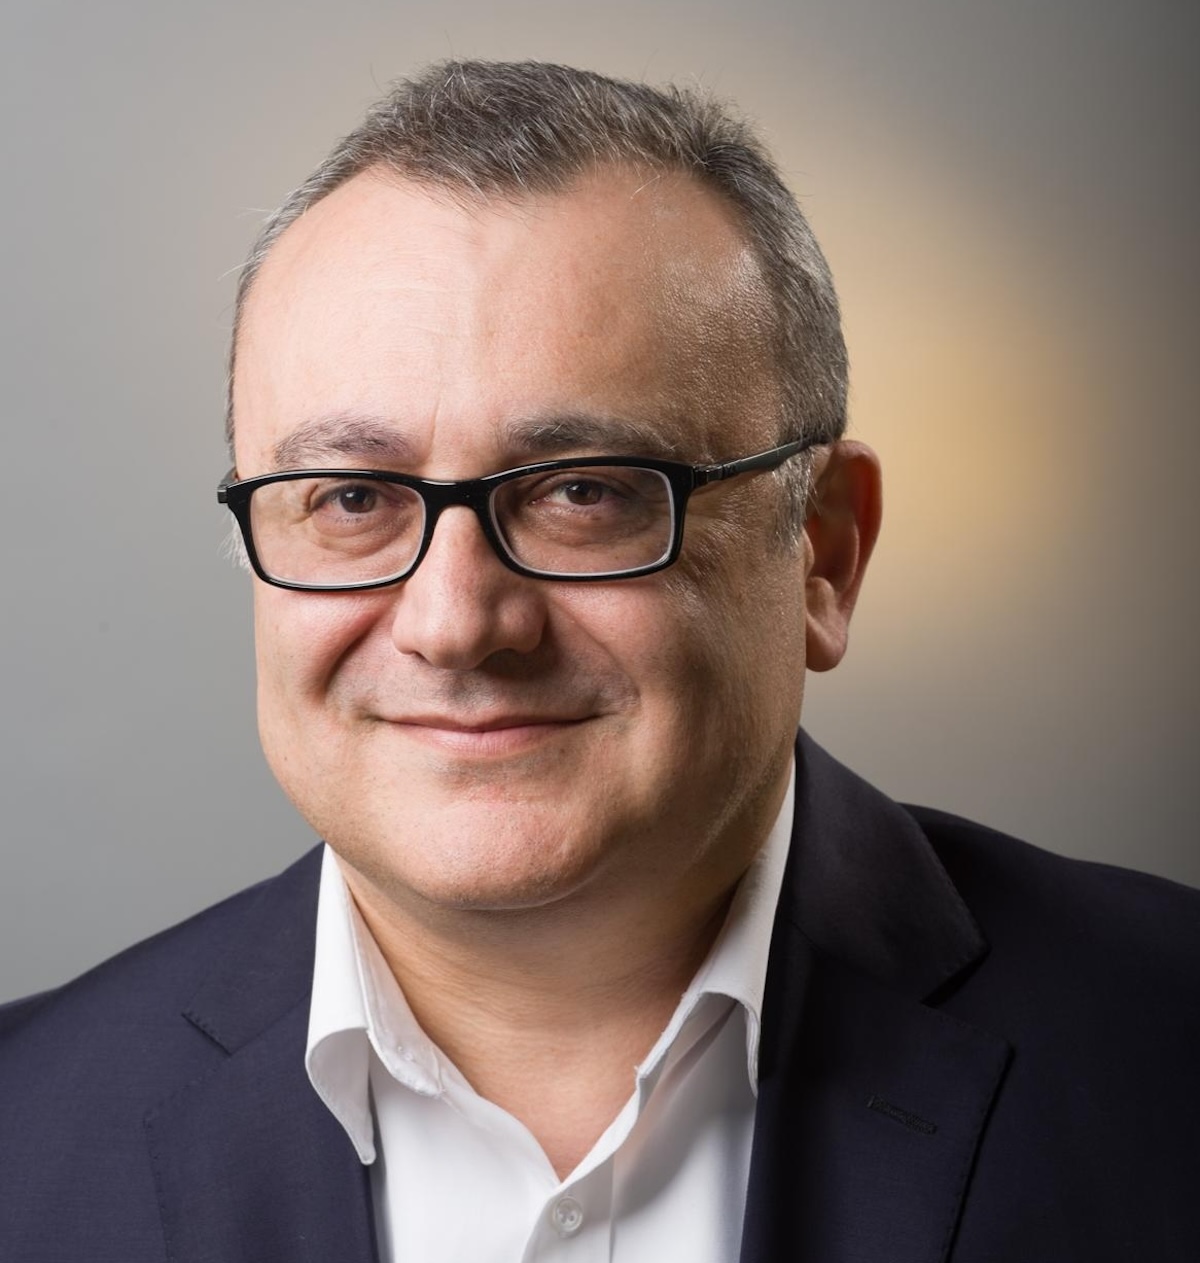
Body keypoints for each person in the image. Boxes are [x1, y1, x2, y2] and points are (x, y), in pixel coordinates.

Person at [0, 59, 1196, 1263]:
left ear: (823, 554)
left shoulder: (1167, 1045)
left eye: (584, 494)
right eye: (353, 498)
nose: (455, 624)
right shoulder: (25, 1133)